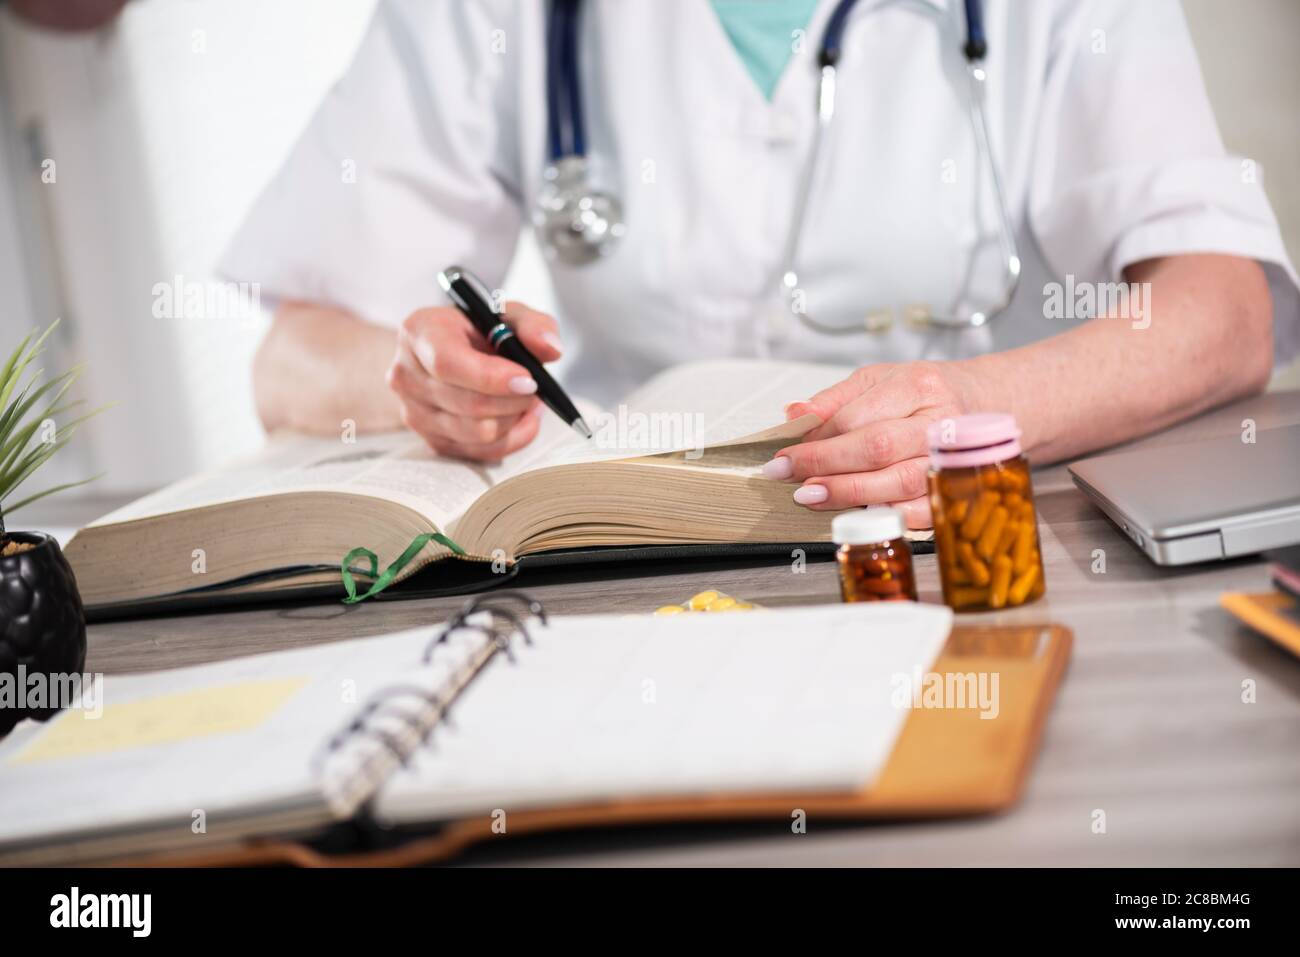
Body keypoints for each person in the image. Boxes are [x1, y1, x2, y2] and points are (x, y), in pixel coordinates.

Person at [222, 0, 1297, 527]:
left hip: (967, 540)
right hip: (632, 562)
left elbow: (1224, 310)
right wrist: (421, 381)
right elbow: (292, 360)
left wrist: (971, 404)